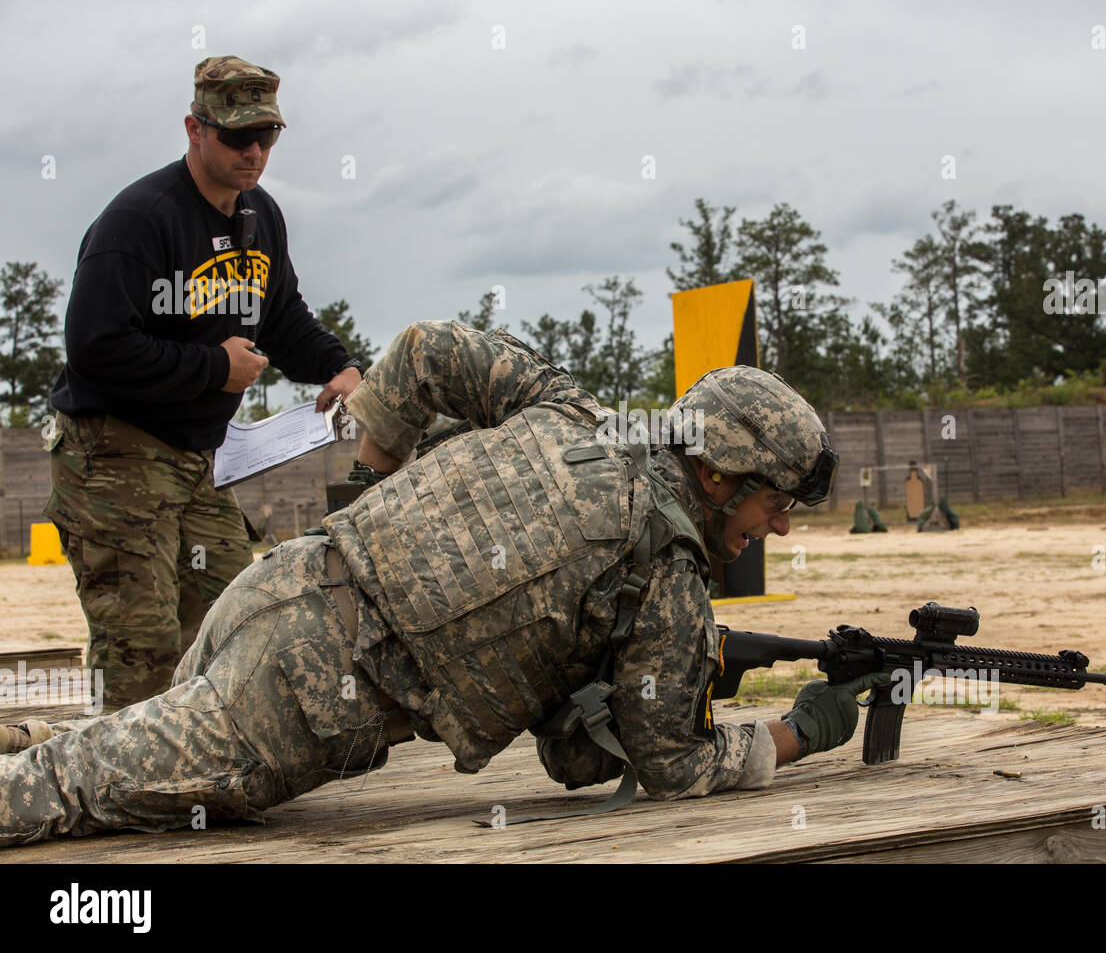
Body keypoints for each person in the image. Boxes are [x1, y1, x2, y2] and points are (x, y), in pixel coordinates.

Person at [0, 321, 881, 846]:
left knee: (103, 749)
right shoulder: (669, 581)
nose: (780, 527)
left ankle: (37, 733)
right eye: (775, 501)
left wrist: (378, 488)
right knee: (64, 795)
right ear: (722, 473)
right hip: (304, 701)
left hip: (281, 583)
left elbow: (424, 350)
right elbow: (676, 766)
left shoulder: (569, 410)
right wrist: (801, 729)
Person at [42, 56, 365, 710]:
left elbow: (280, 315)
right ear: (195, 129)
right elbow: (95, 347)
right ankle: (122, 795)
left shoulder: (260, 216)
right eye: (236, 136)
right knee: (143, 643)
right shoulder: (140, 220)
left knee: (229, 627)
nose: (252, 152)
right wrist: (215, 369)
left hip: (198, 460)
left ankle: (200, 781)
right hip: (115, 455)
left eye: (265, 137)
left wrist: (338, 365)